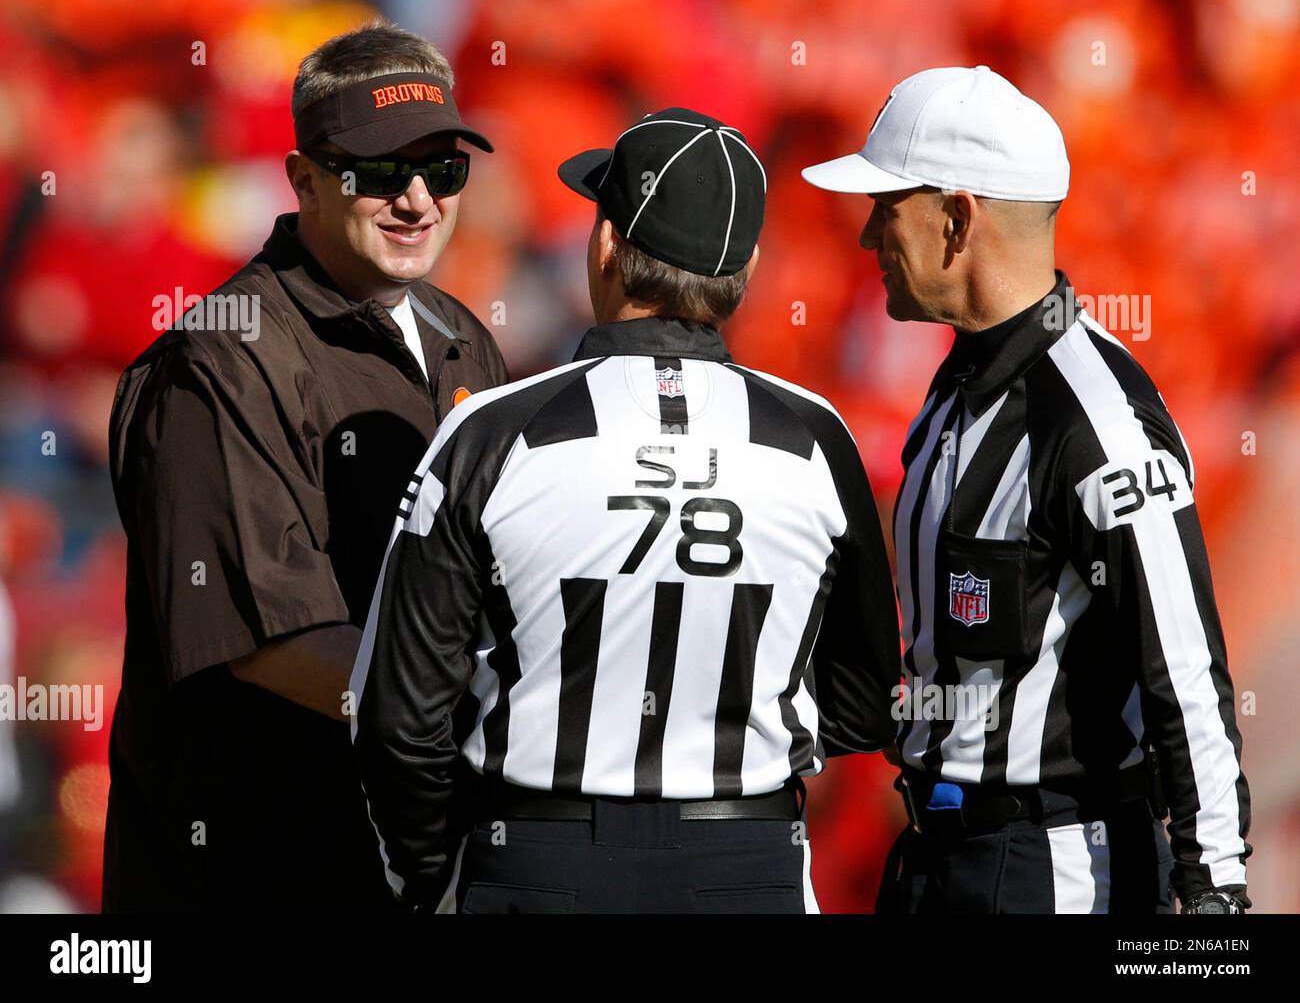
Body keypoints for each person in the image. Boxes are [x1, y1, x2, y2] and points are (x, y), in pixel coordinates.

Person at [351, 107, 901, 913]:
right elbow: (862, 703)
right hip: (747, 861)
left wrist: (432, 877)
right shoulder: (816, 437)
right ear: (745, 269)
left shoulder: (494, 431)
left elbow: (396, 719)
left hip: (538, 860)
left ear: (606, 243)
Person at [803, 65, 1251, 914]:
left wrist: (1214, 898)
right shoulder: (955, 388)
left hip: (1057, 870)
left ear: (958, 218)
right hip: (938, 858)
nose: (866, 238)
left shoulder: (1097, 422)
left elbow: (1184, 673)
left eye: (886, 208)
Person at [103, 21, 508, 911]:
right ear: (303, 179)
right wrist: (500, 720)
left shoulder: (462, 338)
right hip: (256, 871)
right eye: (376, 171)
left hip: (411, 864)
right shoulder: (218, 359)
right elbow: (275, 645)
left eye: (443, 170)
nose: (416, 200)